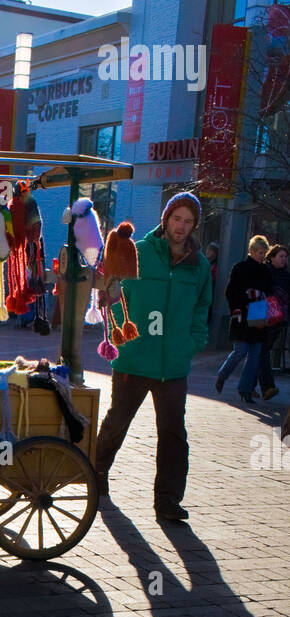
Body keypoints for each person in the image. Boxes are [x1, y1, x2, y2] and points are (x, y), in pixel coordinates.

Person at [94, 191, 212, 523]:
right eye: (177, 219)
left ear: (194, 225)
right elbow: (114, 293)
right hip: (134, 358)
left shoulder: (199, 265)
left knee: (174, 434)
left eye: (188, 221)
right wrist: (109, 294)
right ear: (166, 219)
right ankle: (96, 474)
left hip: (174, 365)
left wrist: (193, 341)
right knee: (117, 422)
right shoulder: (140, 252)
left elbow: (203, 306)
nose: (182, 226)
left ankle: (168, 501)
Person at [216, 235, 272, 404]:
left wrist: (265, 306)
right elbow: (231, 291)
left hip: (259, 314)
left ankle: (245, 390)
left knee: (254, 355)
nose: (262, 256)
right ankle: (222, 375)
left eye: (264, 253)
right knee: (240, 351)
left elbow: (269, 292)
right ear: (252, 251)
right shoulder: (240, 268)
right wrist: (241, 305)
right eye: (260, 252)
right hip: (242, 316)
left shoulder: (265, 271)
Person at [255, 243, 289, 402]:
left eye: (285, 257)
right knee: (261, 351)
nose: (284, 259)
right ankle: (265, 387)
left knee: (262, 351)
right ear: (272, 257)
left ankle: (249, 385)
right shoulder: (264, 272)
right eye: (281, 256)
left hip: (279, 319)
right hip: (263, 316)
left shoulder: (286, 276)